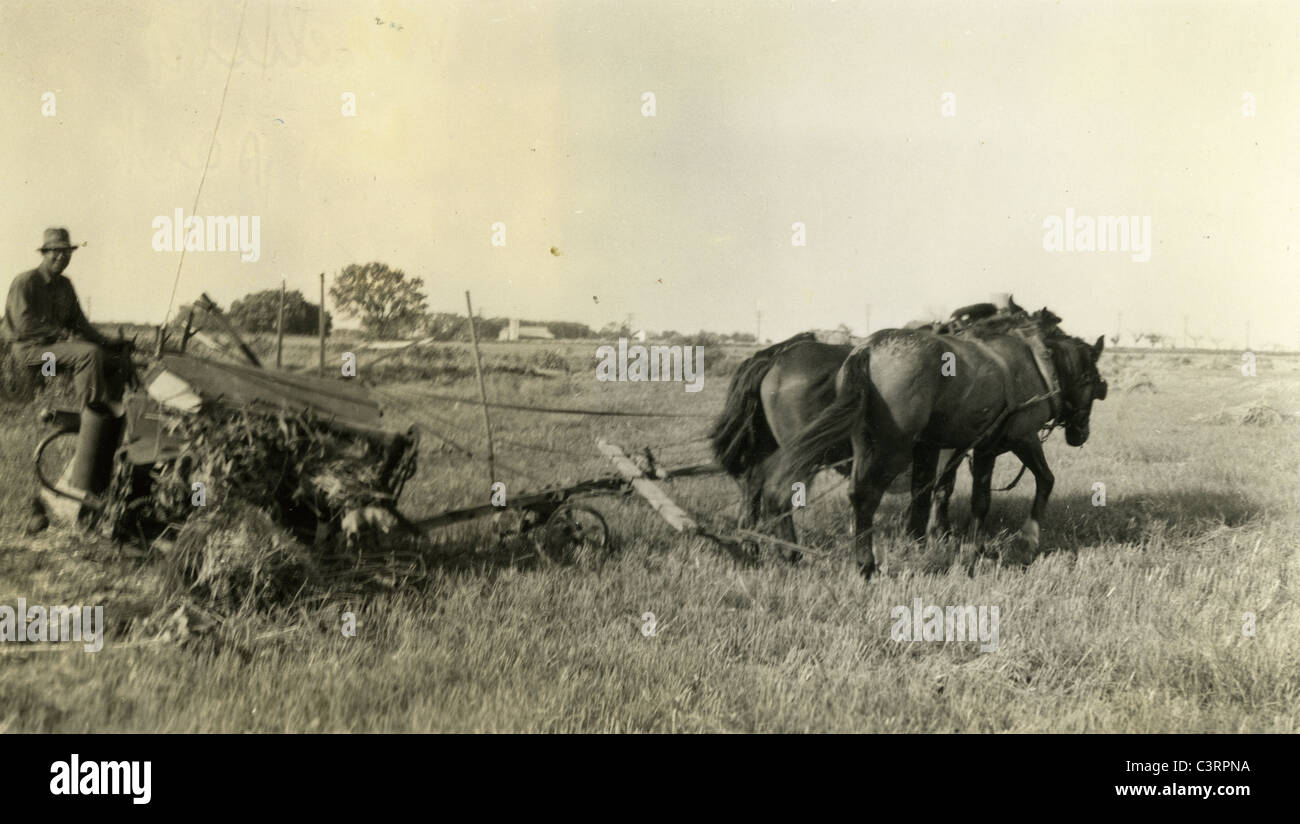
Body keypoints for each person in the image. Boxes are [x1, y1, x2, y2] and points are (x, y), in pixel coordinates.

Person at [4, 227, 130, 411]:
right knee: (89, 354)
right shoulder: (26, 282)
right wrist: (62, 334)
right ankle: (90, 417)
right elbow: (23, 325)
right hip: (29, 351)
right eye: (55, 251)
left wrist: (110, 342)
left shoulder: (65, 285)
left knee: (116, 358)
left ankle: (112, 415)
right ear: (44, 253)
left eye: (66, 251)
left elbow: (81, 324)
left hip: (52, 351)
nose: (61, 256)